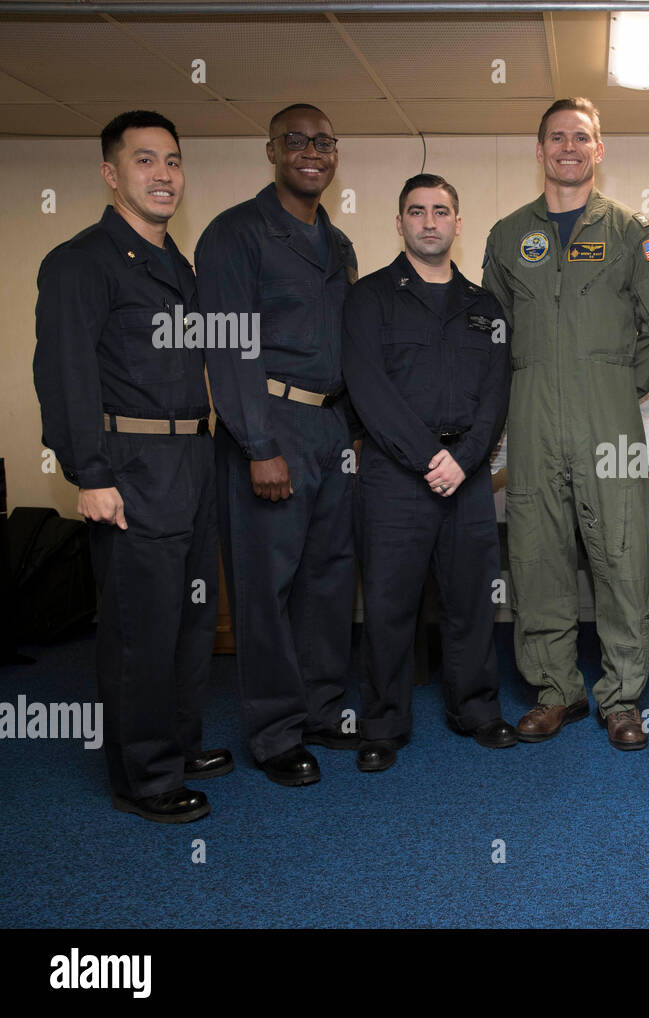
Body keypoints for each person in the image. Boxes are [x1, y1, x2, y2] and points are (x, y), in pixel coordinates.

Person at [33, 110, 228, 823]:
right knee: (140, 629)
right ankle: (144, 778)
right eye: (145, 161)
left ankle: (177, 744)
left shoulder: (178, 265)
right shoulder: (79, 262)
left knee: (190, 618)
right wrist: (90, 474)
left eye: (173, 161)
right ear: (111, 173)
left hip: (193, 455)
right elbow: (65, 376)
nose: (164, 175)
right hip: (130, 463)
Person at [481, 98, 649, 750]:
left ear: (599, 150)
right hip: (533, 415)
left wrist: (619, 386)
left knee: (621, 554)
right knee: (537, 554)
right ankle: (554, 690)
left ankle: (621, 696)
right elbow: (494, 330)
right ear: (540, 151)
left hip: (609, 419)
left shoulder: (632, 233)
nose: (569, 147)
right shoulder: (508, 235)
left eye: (582, 138)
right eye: (557, 137)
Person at [195, 103, 358, 787]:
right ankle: (273, 732)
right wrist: (258, 443)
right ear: (272, 151)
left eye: (323, 142)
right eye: (296, 141)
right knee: (266, 589)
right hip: (267, 424)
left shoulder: (338, 244)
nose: (311, 152)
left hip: (330, 428)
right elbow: (227, 348)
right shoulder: (236, 234)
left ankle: (320, 708)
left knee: (327, 581)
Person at [342, 174, 514, 771]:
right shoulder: (369, 299)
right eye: (416, 211)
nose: (430, 221)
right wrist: (425, 459)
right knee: (389, 605)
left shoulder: (485, 307)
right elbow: (368, 389)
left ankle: (477, 710)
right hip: (394, 476)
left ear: (458, 223)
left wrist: (463, 461)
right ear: (400, 223)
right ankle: (382, 724)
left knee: (471, 601)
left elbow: (496, 394)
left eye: (441, 211)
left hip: (465, 477)